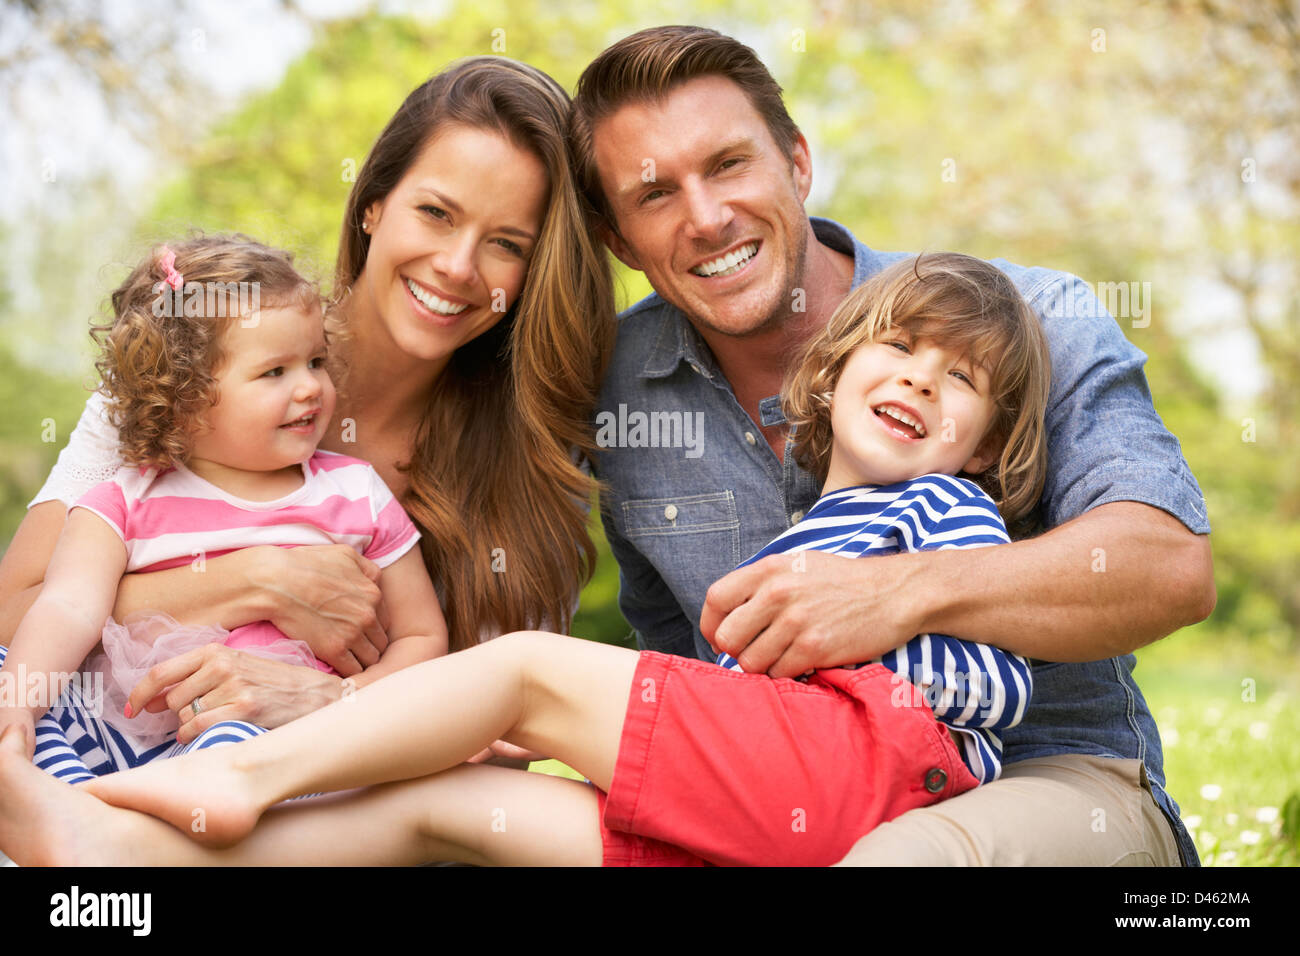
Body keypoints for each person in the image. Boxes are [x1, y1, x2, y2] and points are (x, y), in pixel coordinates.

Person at [0, 249, 1050, 867]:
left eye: (958, 381)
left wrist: (893, 657)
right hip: (767, 817)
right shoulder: (820, 518)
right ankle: (123, 855)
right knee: (438, 808)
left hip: (873, 773)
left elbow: (990, 682)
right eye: (900, 351)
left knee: (521, 670)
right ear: (836, 369)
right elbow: (745, 720)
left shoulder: (944, 506)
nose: (919, 383)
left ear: (988, 442)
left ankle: (237, 776)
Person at [568, 26, 1213, 865]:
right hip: (788, 804)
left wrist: (897, 592)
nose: (706, 215)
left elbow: (1168, 566)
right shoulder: (616, 394)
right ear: (619, 240)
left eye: (729, 164)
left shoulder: (1033, 319)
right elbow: (677, 668)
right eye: (654, 195)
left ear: (796, 163)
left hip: (1048, 785)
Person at [0, 58, 614, 752]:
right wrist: (257, 579)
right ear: (374, 202)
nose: (458, 266)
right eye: (436, 213)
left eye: (507, 244)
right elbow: (16, 614)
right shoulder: (184, 373)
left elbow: (510, 739)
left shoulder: (531, 455)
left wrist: (333, 699)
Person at [0, 236, 447, 778]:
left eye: (316, 361)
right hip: (116, 724)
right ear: (184, 399)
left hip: (264, 740)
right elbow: (67, 607)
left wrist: (347, 699)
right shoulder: (123, 499)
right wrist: (19, 705)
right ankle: (73, 811)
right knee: (11, 675)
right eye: (274, 372)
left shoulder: (356, 493)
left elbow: (422, 638)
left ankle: (124, 829)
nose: (311, 387)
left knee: (236, 746)